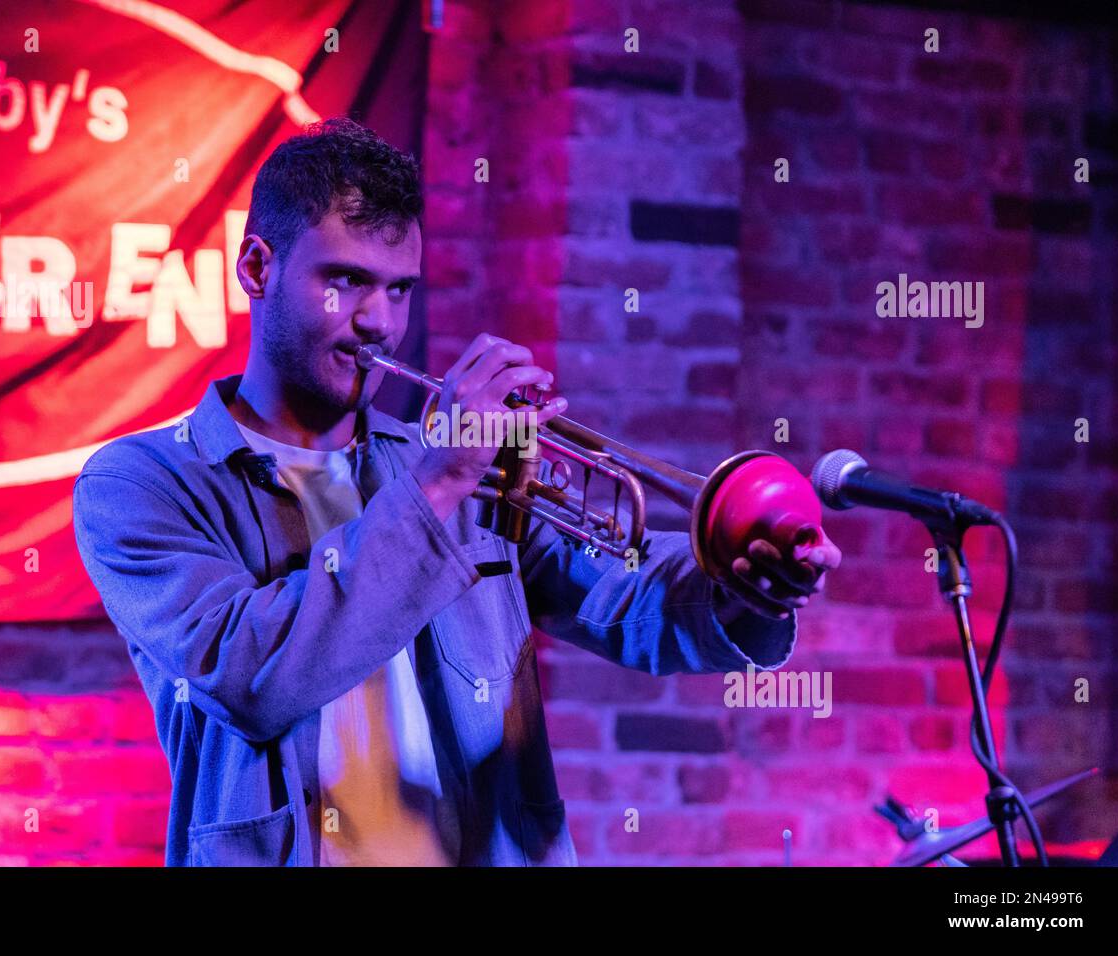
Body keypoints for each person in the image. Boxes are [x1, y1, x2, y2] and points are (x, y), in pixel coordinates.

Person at [72, 117, 841, 866]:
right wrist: (440, 478)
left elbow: (630, 606)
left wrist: (745, 583)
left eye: (400, 290)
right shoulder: (143, 483)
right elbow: (250, 676)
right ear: (257, 270)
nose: (378, 322)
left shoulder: (460, 475)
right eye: (345, 282)